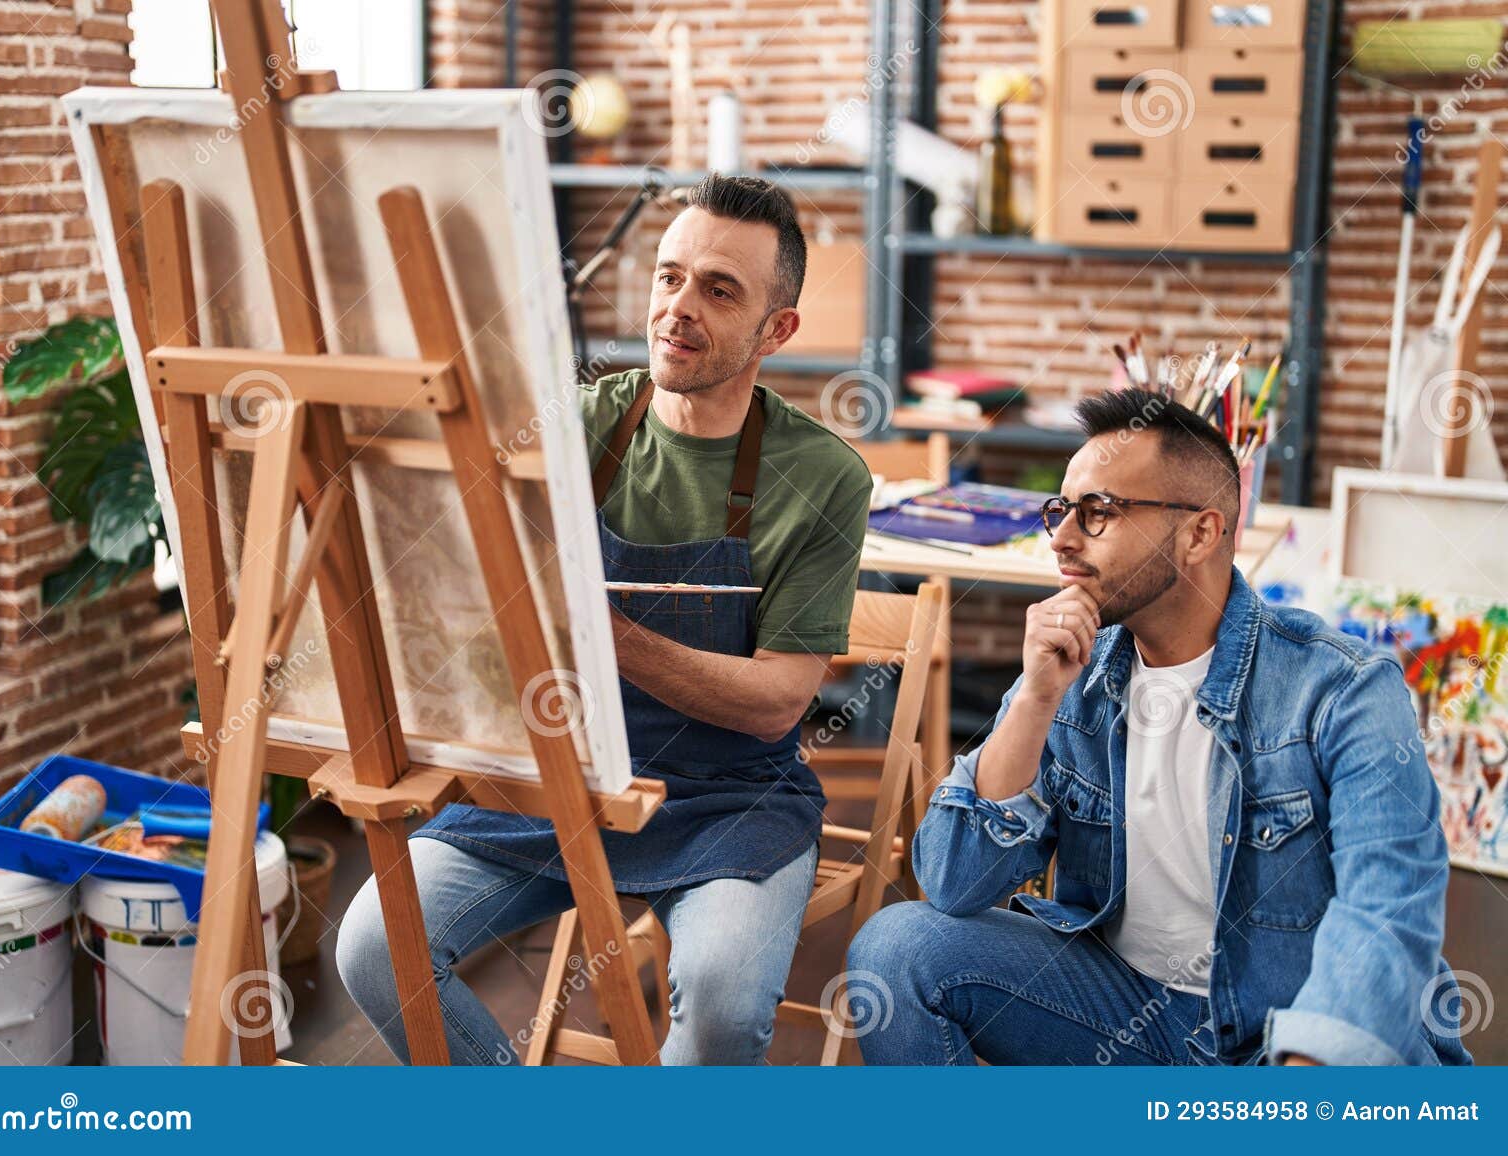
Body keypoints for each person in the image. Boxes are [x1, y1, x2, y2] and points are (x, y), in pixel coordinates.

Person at [337, 173, 873, 1064]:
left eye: (719, 289)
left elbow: (778, 702)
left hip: (725, 801)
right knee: (371, 950)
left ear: (777, 330)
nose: (679, 307)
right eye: (669, 277)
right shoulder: (570, 425)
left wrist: (596, 627)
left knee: (729, 1006)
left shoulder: (821, 477)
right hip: (557, 776)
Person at [848, 388, 1472, 1066]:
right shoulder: (1074, 676)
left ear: (1200, 532)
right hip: (1126, 1015)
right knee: (898, 951)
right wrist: (1034, 700)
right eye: (1061, 511)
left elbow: (1389, 910)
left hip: (1288, 1033)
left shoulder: (1341, 688)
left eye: (1098, 513)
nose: (1059, 537)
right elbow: (953, 882)